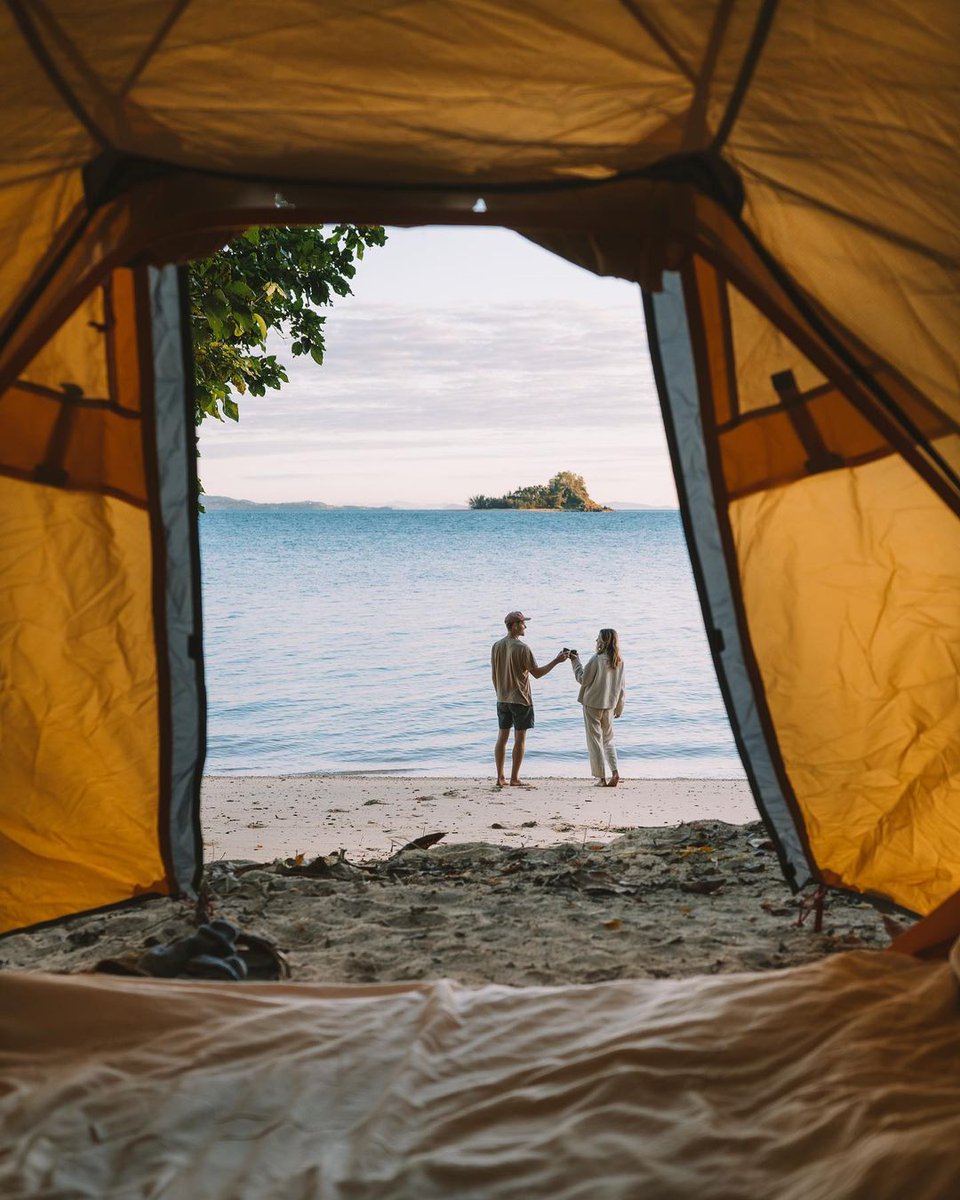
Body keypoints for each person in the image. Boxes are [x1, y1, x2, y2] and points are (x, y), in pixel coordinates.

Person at [491, 611, 569, 788]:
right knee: (520, 739)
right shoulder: (523, 648)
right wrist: (557, 661)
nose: (525, 626)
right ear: (515, 626)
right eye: (523, 623)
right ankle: (514, 778)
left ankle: (500, 777)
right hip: (520, 698)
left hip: (502, 698)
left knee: (502, 737)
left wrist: (499, 692)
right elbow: (537, 674)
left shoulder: (496, 646)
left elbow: (494, 674)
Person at [569, 629, 626, 787]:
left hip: (592, 703)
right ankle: (615, 772)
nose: (596, 641)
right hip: (609, 705)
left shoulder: (597, 659)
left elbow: (583, 679)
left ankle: (601, 778)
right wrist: (619, 707)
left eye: (598, 638)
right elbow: (622, 687)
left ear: (604, 642)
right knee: (608, 740)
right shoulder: (619, 661)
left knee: (594, 740)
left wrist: (575, 661)